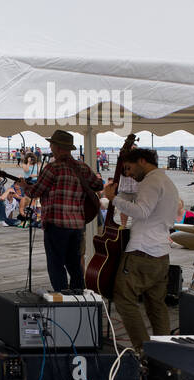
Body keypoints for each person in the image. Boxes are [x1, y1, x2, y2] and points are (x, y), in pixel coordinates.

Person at [103, 148, 180, 351]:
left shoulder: (151, 182)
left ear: (142, 161)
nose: (128, 173)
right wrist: (120, 195)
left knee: (123, 300)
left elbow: (142, 211)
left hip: (141, 252)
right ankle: (165, 350)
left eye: (129, 168)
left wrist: (114, 199)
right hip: (161, 253)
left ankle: (143, 349)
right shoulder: (166, 182)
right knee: (157, 306)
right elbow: (142, 201)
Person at [22, 130, 105, 291]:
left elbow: (35, 192)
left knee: (56, 264)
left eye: (52, 144)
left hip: (56, 224)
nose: (50, 146)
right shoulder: (82, 167)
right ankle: (78, 296)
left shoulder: (52, 168)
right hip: (77, 225)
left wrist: (25, 187)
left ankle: (61, 298)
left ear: (58, 147)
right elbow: (98, 185)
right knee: (74, 264)